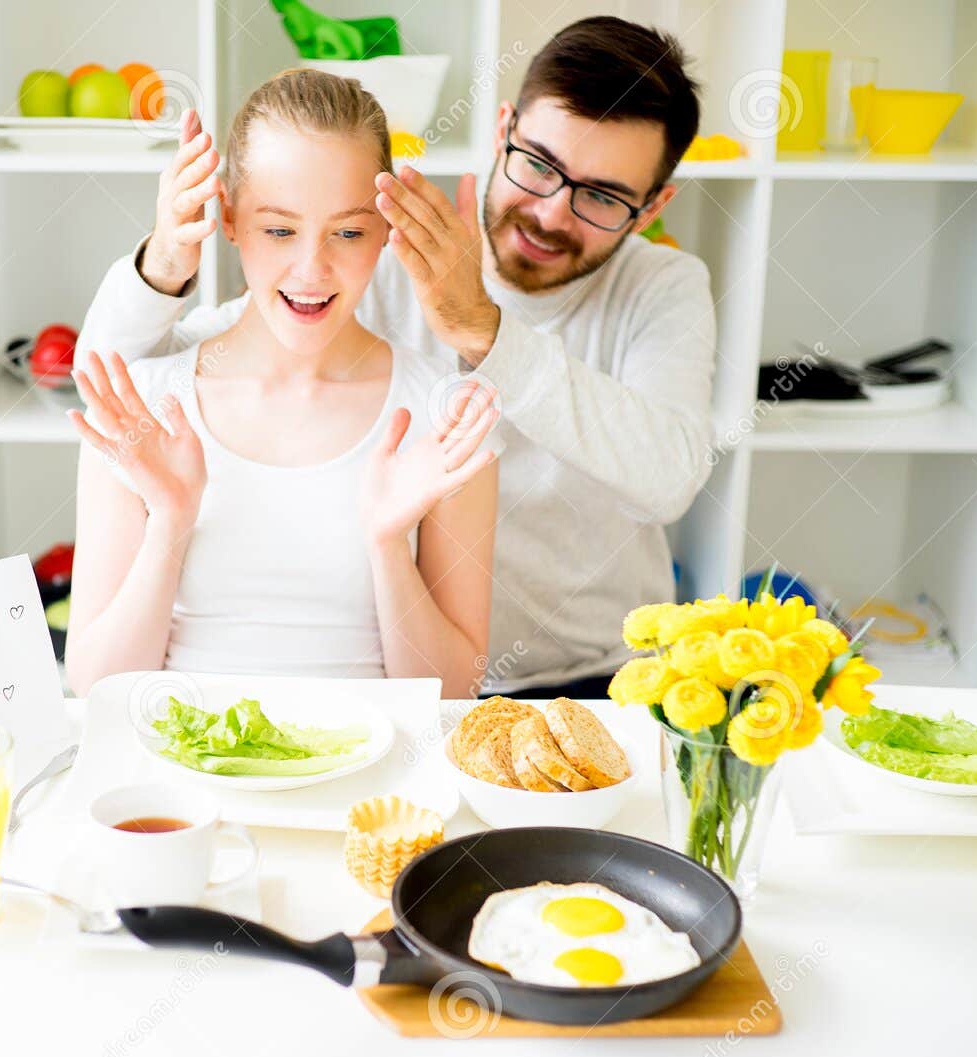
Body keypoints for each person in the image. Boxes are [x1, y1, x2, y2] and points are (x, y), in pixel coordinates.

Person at [77, 16, 716, 700]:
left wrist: (486, 332)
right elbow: (121, 386)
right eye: (537, 165)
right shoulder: (390, 241)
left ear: (653, 206)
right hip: (415, 679)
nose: (552, 213)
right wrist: (165, 265)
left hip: (586, 670)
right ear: (502, 131)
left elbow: (670, 475)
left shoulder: (663, 288)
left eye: (601, 196)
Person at [65, 69, 501, 698]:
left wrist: (387, 546)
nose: (311, 268)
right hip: (184, 781)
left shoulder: (445, 415)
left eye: (348, 232)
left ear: (387, 230)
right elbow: (97, 686)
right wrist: (171, 518)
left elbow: (455, 694)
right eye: (279, 229)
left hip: (373, 788)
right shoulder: (143, 402)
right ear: (231, 219)